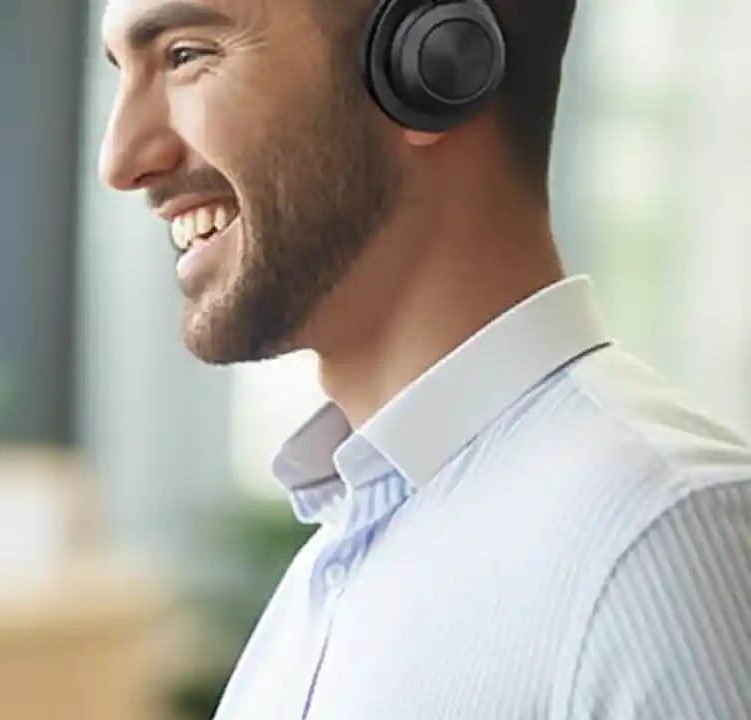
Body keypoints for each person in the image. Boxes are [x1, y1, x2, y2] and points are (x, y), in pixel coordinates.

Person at [97, 0, 751, 717]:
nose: (119, 161)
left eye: (187, 56)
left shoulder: (660, 542)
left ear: (434, 62)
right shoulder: (343, 549)